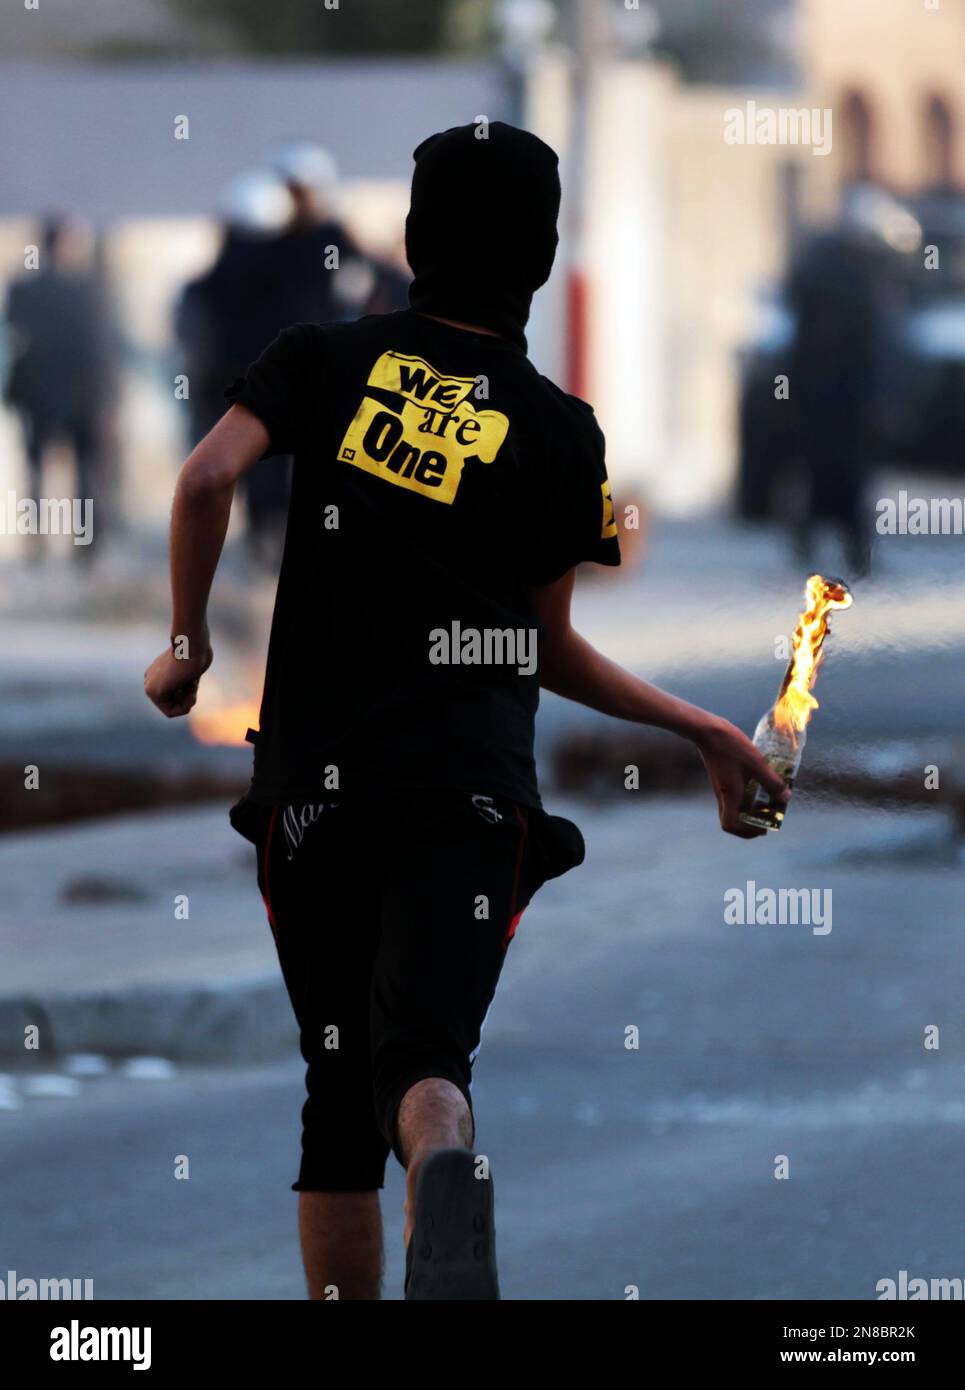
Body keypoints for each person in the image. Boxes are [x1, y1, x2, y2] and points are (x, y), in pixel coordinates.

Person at [144, 122, 788, 1301]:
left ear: (408, 236)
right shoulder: (560, 433)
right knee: (425, 1066)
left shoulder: (320, 360)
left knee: (337, 1098)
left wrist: (184, 645)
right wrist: (703, 727)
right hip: (468, 792)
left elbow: (200, 479)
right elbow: (544, 648)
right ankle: (442, 1160)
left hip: (313, 794)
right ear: (538, 259)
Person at [4, 215, 111, 559]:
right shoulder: (82, 290)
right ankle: (84, 542)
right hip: (77, 393)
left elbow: (15, 335)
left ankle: (36, 537)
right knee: (81, 467)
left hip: (39, 392)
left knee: (36, 465)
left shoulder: (24, 290)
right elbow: (94, 345)